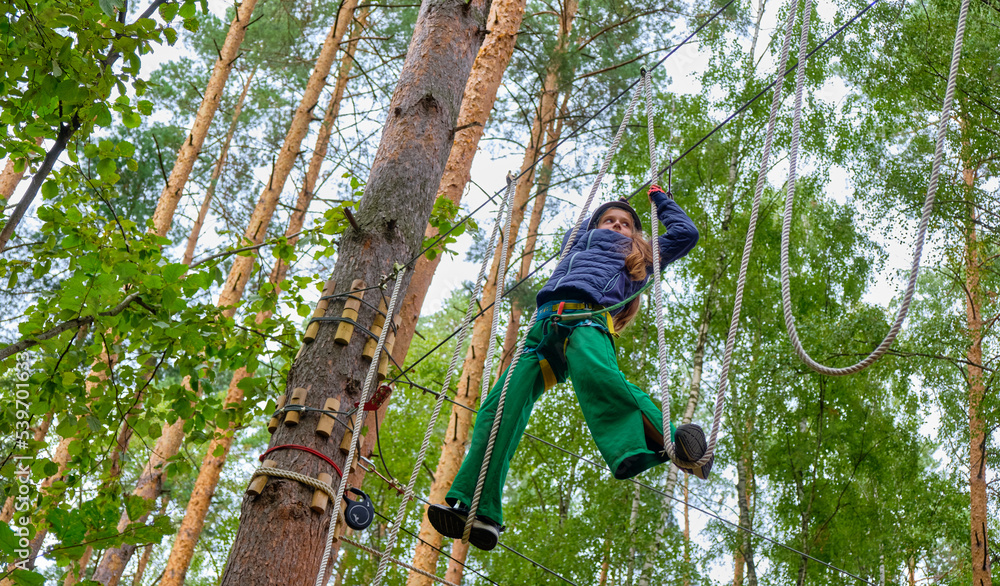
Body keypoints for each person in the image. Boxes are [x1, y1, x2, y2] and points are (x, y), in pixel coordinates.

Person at [428, 184, 711, 551]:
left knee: (601, 378)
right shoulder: (577, 246)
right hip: (541, 332)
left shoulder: (640, 254)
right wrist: (609, 206)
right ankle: (481, 510)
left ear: (636, 235)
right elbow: (577, 230)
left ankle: (679, 445)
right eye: (607, 220)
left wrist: (658, 198)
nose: (614, 225)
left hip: (587, 321)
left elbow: (686, 234)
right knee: (499, 408)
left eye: (624, 223)